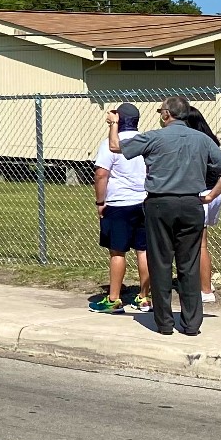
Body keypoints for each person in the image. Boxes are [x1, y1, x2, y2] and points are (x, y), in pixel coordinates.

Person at [112, 97, 221, 337]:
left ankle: (165, 322)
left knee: (160, 262)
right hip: (191, 204)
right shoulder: (202, 139)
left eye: (161, 111)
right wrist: (210, 196)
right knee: (188, 263)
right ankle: (191, 324)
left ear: (167, 114)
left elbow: (117, 147)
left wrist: (113, 124)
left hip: (160, 203)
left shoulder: (155, 137)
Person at [91, 103, 152, 314]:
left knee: (117, 252)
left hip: (119, 203)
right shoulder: (146, 141)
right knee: (144, 250)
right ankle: (145, 297)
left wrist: (100, 202)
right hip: (144, 201)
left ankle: (114, 299)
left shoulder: (109, 143)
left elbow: (101, 174)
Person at [184, 108, 221, 304]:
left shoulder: (194, 142)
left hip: (201, 195)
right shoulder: (210, 140)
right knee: (199, 242)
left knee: (199, 244)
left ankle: (205, 289)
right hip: (214, 192)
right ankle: (204, 281)